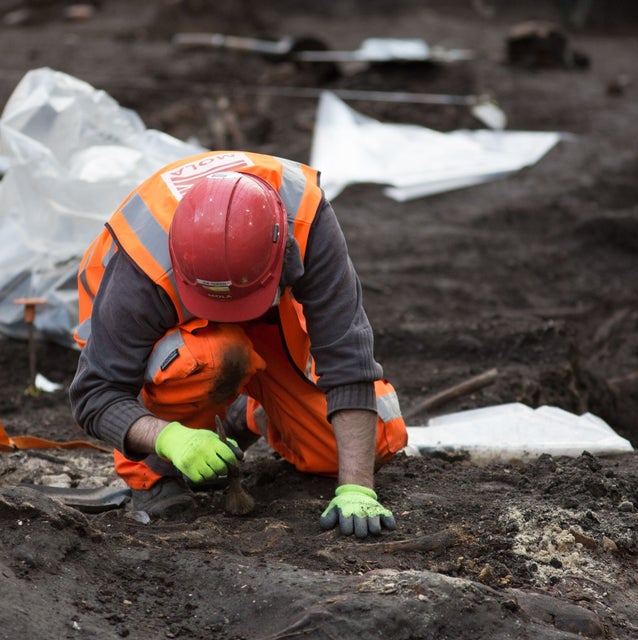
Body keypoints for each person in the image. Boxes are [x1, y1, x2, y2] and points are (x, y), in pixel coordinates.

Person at [70, 150, 408, 538]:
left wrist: (357, 488)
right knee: (214, 356)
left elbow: (347, 358)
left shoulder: (307, 222)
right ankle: (151, 474)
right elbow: (96, 395)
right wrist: (169, 438)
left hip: (267, 307)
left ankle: (247, 413)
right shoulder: (140, 275)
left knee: (371, 442)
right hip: (171, 335)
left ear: (285, 255)